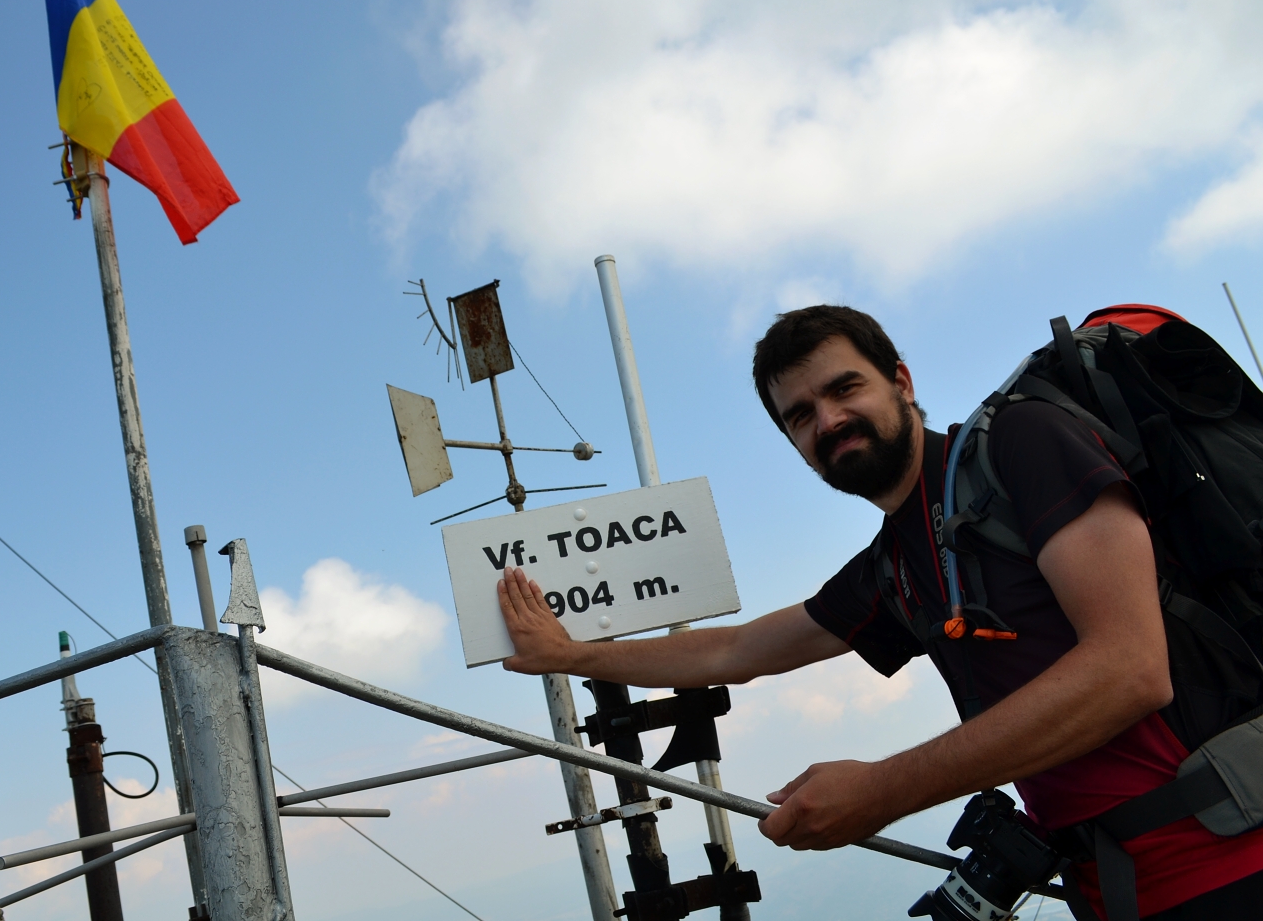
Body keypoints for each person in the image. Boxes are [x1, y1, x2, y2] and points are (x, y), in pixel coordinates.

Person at [495, 305, 1263, 920]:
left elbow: (1130, 670)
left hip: (1230, 859)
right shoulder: (894, 563)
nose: (826, 422)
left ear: (900, 379)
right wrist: (571, 655)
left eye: (843, 389)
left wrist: (884, 791)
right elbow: (741, 651)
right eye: (799, 416)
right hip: (1119, 886)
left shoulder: (1023, 444)